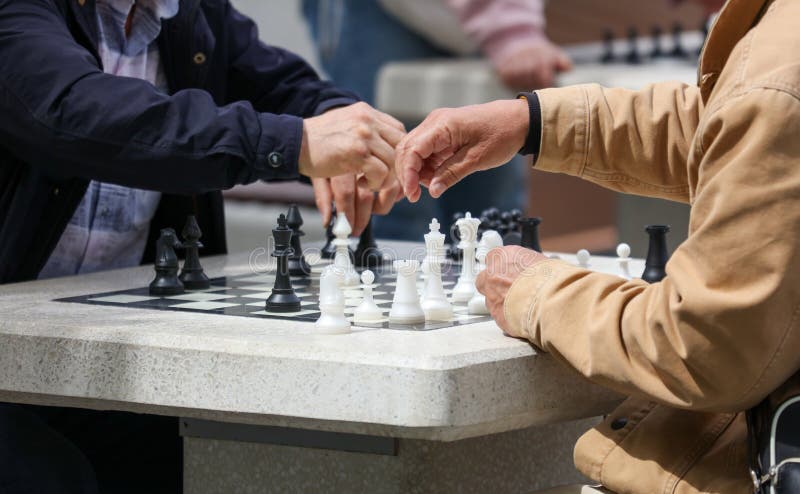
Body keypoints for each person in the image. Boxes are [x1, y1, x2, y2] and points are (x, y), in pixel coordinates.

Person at [395, 0, 800, 492]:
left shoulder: (779, 75)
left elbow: (704, 347)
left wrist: (536, 290)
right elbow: (727, 126)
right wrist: (533, 122)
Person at [0, 0, 404, 491]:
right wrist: (293, 142)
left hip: (95, 355)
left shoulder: (191, 13)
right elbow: (69, 107)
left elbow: (279, 85)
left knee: (218, 455)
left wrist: (339, 121)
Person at [302, 0, 571, 239]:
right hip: (382, 10)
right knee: (397, 202)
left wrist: (510, 27)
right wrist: (512, 31)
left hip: (488, 19)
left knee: (491, 208)